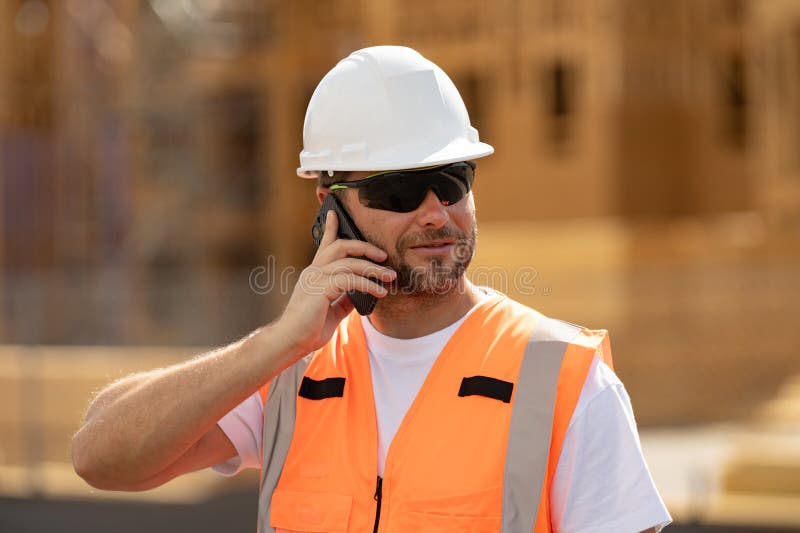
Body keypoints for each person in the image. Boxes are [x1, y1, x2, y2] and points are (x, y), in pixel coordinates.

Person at [72, 46, 671, 533]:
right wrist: (278, 342)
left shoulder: (566, 380)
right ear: (331, 211)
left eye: (452, 181)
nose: (437, 214)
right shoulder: (288, 374)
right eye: (400, 191)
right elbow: (100, 458)